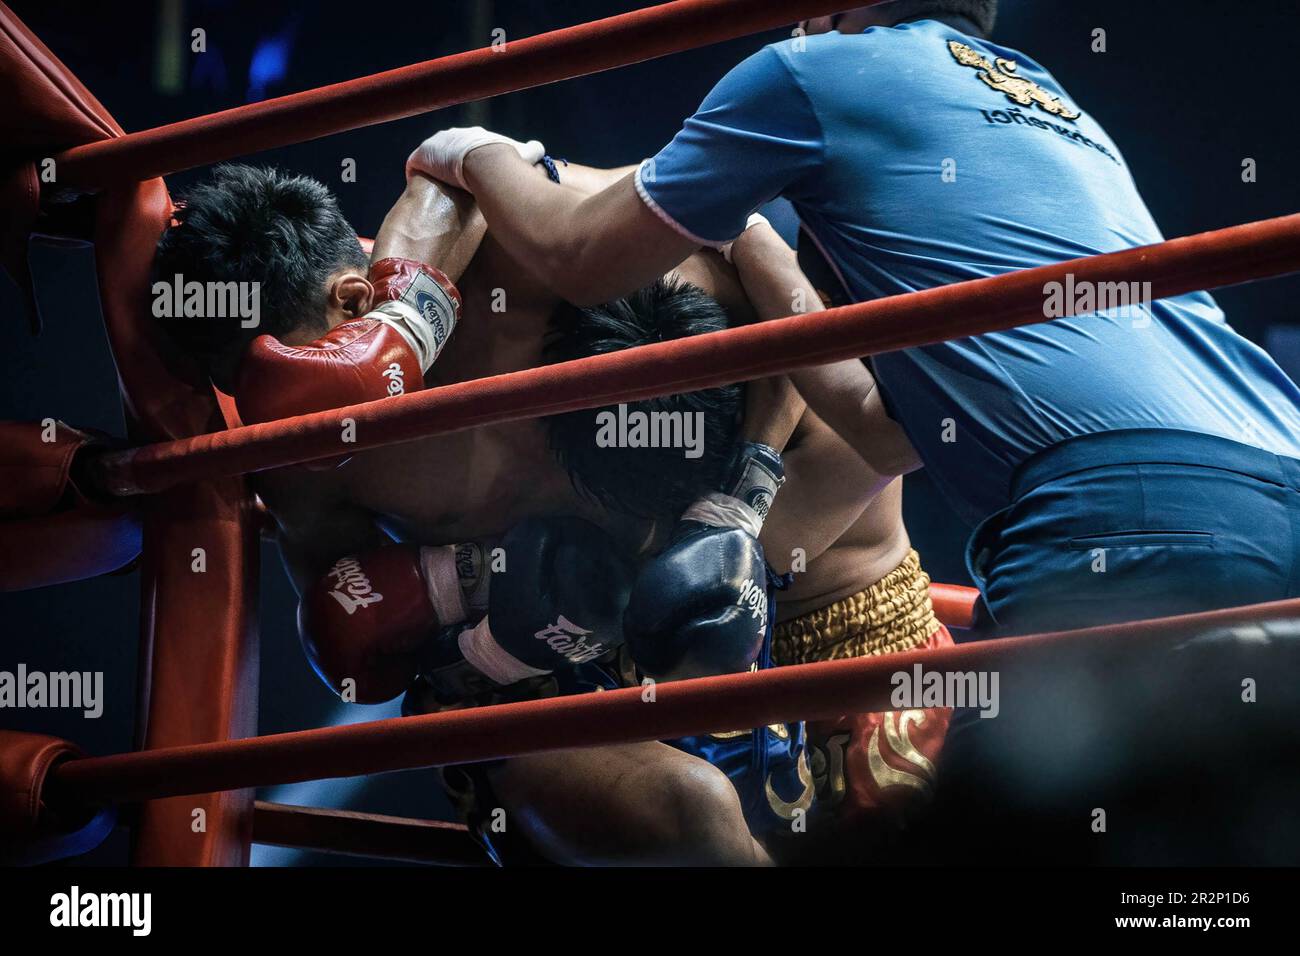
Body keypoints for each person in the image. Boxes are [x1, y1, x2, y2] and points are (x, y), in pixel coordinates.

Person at [154, 154, 951, 864]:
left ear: (356, 296)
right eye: (244, 388)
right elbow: (356, 629)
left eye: (289, 368)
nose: (271, 412)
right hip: (547, 687)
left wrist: (742, 503)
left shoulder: (549, 247)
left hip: (834, 632)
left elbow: (468, 159)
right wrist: (469, 597)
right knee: (690, 817)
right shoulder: (301, 455)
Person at [418, 0, 1300, 638]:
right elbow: (892, 436)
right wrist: (760, 247)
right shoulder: (1043, 95)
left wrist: (476, 150)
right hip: (1273, 466)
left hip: (1115, 512)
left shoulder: (811, 74)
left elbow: (580, 258)